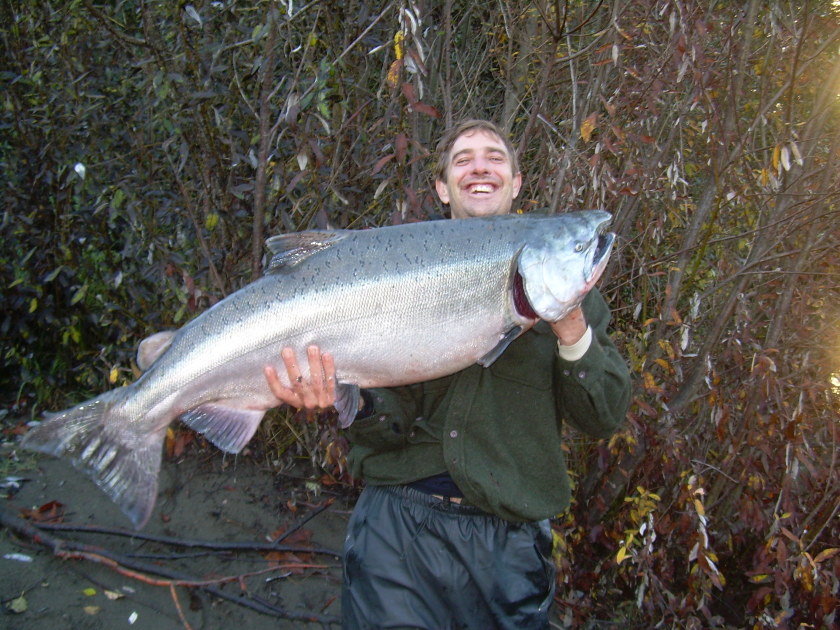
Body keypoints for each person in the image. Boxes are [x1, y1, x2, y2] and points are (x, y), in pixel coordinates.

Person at [264, 120, 631, 629]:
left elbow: (604, 415)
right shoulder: (396, 273)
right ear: (442, 187)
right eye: (463, 159)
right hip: (398, 530)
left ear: (517, 182)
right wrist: (348, 399)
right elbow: (389, 424)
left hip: (509, 543)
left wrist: (570, 323)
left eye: (494, 157)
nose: (480, 167)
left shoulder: (577, 299)